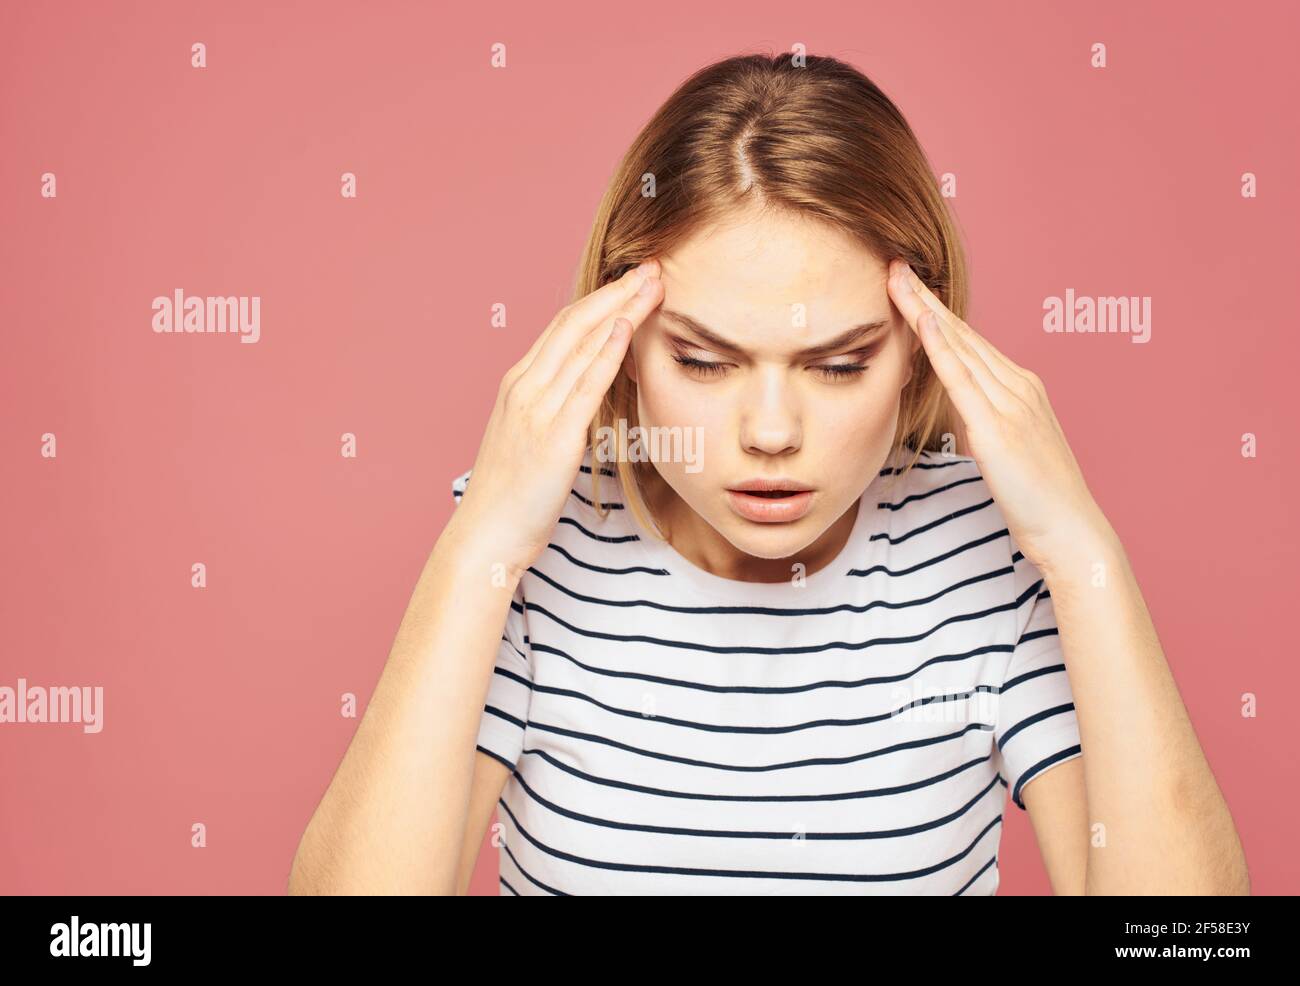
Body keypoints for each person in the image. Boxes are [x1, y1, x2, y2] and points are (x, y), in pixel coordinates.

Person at [288, 52, 1249, 895]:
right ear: (620, 344)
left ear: (921, 345)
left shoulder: (982, 546)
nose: (773, 432)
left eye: (839, 365)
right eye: (704, 362)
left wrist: (1086, 556)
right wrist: (480, 549)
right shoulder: (536, 544)